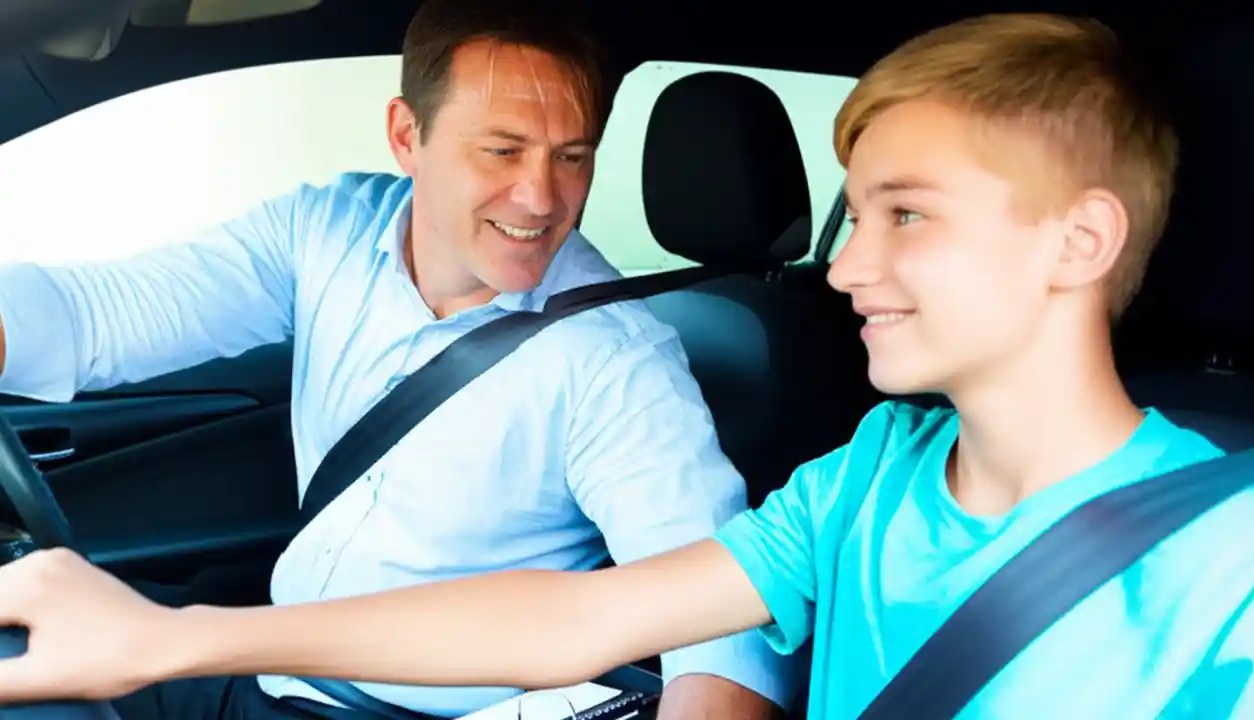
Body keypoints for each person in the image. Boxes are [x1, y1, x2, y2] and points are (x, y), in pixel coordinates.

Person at [2, 10, 1254, 719]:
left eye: (903, 214)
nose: (842, 266)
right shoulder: (865, 481)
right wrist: (174, 641)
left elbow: (714, 673)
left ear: (1080, 241)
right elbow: (578, 617)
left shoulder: (1246, 564)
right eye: (856, 211)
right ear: (407, 138)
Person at [0, 1, 798, 719]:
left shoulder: (616, 361)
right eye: (502, 150)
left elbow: (721, 629)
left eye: (571, 157)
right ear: (406, 137)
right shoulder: (327, 231)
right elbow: (90, 315)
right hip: (265, 670)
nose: (541, 197)